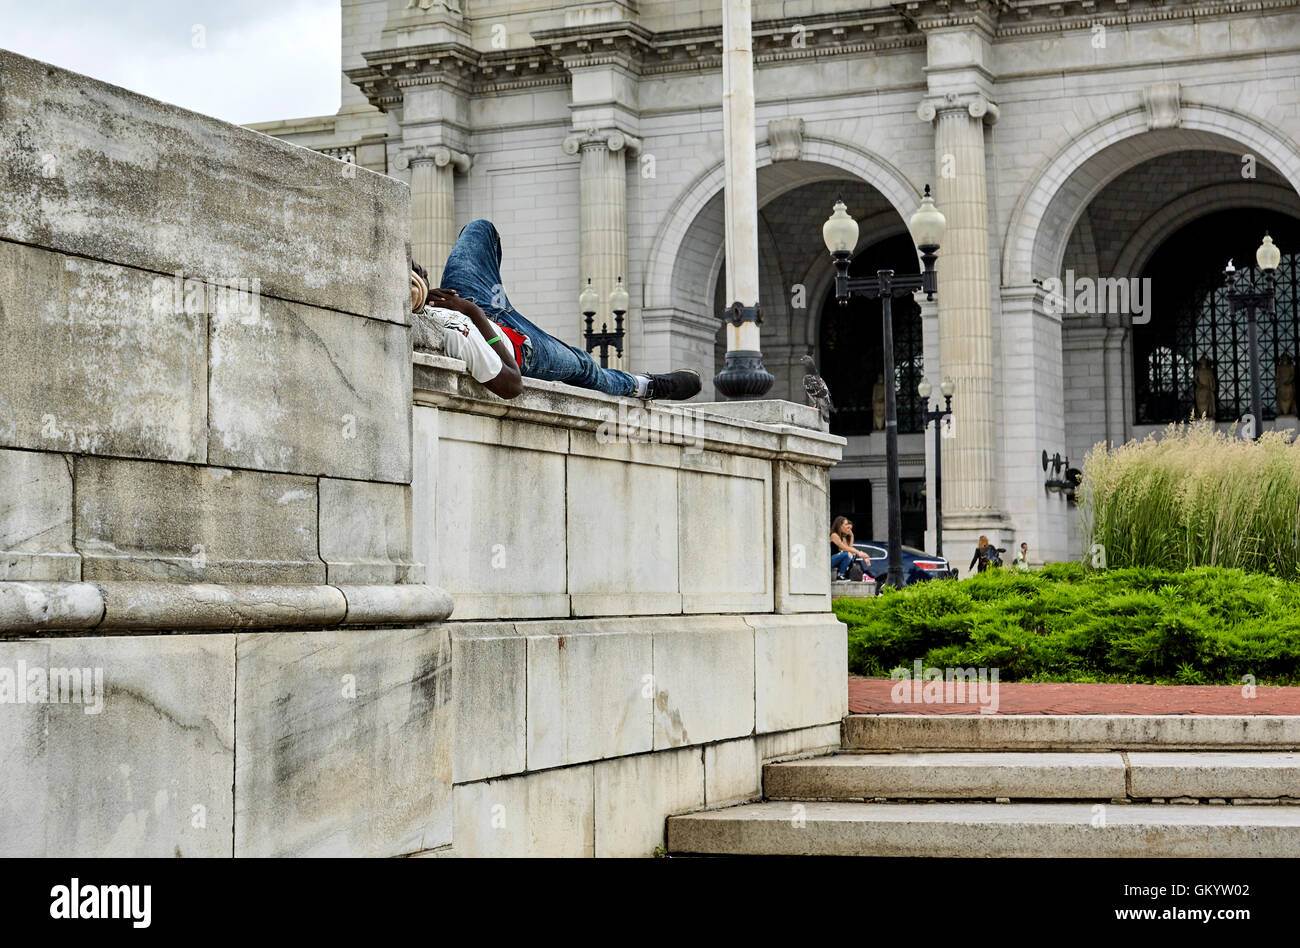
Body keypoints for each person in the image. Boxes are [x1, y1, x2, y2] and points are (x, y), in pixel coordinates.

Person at [413, 219, 701, 400]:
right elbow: (512, 385)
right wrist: (473, 314)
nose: (424, 269)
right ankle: (646, 386)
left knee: (479, 230)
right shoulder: (457, 334)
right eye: (419, 273)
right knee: (583, 366)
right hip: (518, 346)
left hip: (470, 302)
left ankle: (499, 300)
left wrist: (434, 298)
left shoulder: (425, 304)